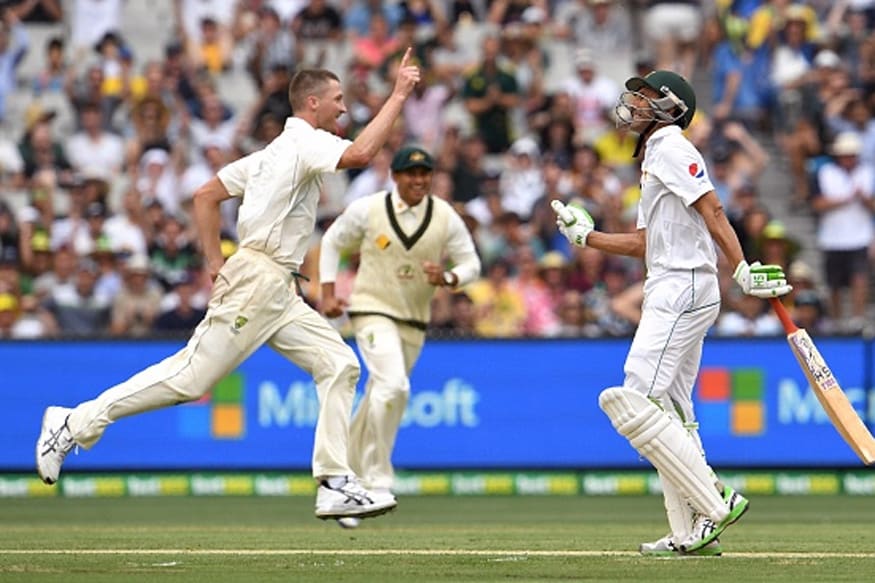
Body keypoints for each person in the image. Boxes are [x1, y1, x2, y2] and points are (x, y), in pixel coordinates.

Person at [35, 50, 422, 522]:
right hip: (259, 281)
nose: (344, 108)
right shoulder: (304, 143)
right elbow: (362, 153)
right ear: (313, 103)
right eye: (338, 99)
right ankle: (72, 423)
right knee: (189, 379)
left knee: (339, 365)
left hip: (277, 287)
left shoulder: (268, 156)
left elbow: (206, 196)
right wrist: (399, 92)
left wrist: (215, 259)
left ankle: (335, 483)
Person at [552, 70, 792, 557]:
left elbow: (714, 209)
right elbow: (645, 242)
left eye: (643, 97)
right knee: (675, 413)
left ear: (671, 107)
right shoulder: (654, 156)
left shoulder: (673, 146)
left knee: (631, 398)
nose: (633, 103)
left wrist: (741, 268)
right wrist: (587, 237)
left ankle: (714, 498)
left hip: (682, 286)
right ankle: (689, 533)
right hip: (670, 281)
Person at [319, 145, 481, 528]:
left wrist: (449, 278)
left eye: (425, 173)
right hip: (371, 310)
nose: (419, 180)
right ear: (395, 176)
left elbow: (470, 263)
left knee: (381, 393)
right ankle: (377, 480)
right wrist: (326, 293)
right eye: (411, 173)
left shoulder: (444, 216)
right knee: (393, 387)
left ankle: (346, 485)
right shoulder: (369, 208)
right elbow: (332, 241)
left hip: (414, 321)